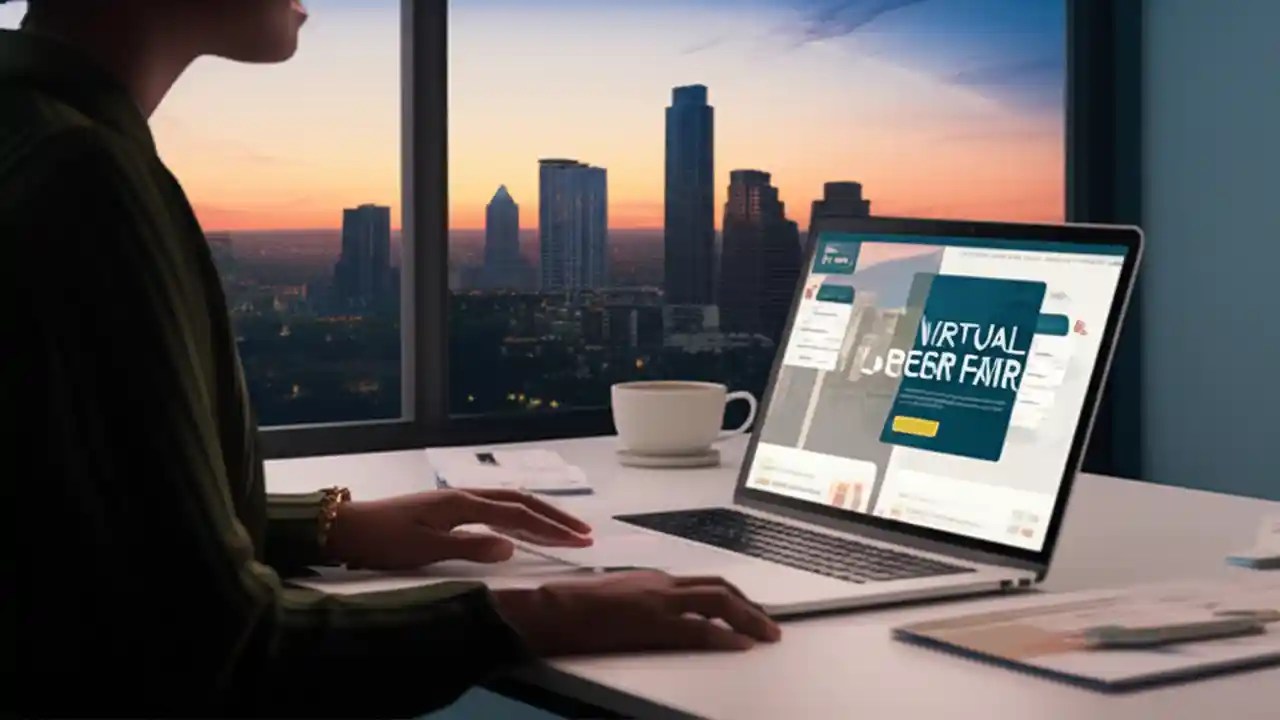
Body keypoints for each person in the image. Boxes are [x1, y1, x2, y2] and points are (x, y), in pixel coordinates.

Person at [1, 0, 779, 717]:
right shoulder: (82, 176)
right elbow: (215, 650)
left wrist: (332, 528)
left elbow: (70, 529)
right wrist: (547, 610)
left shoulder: (28, 126)